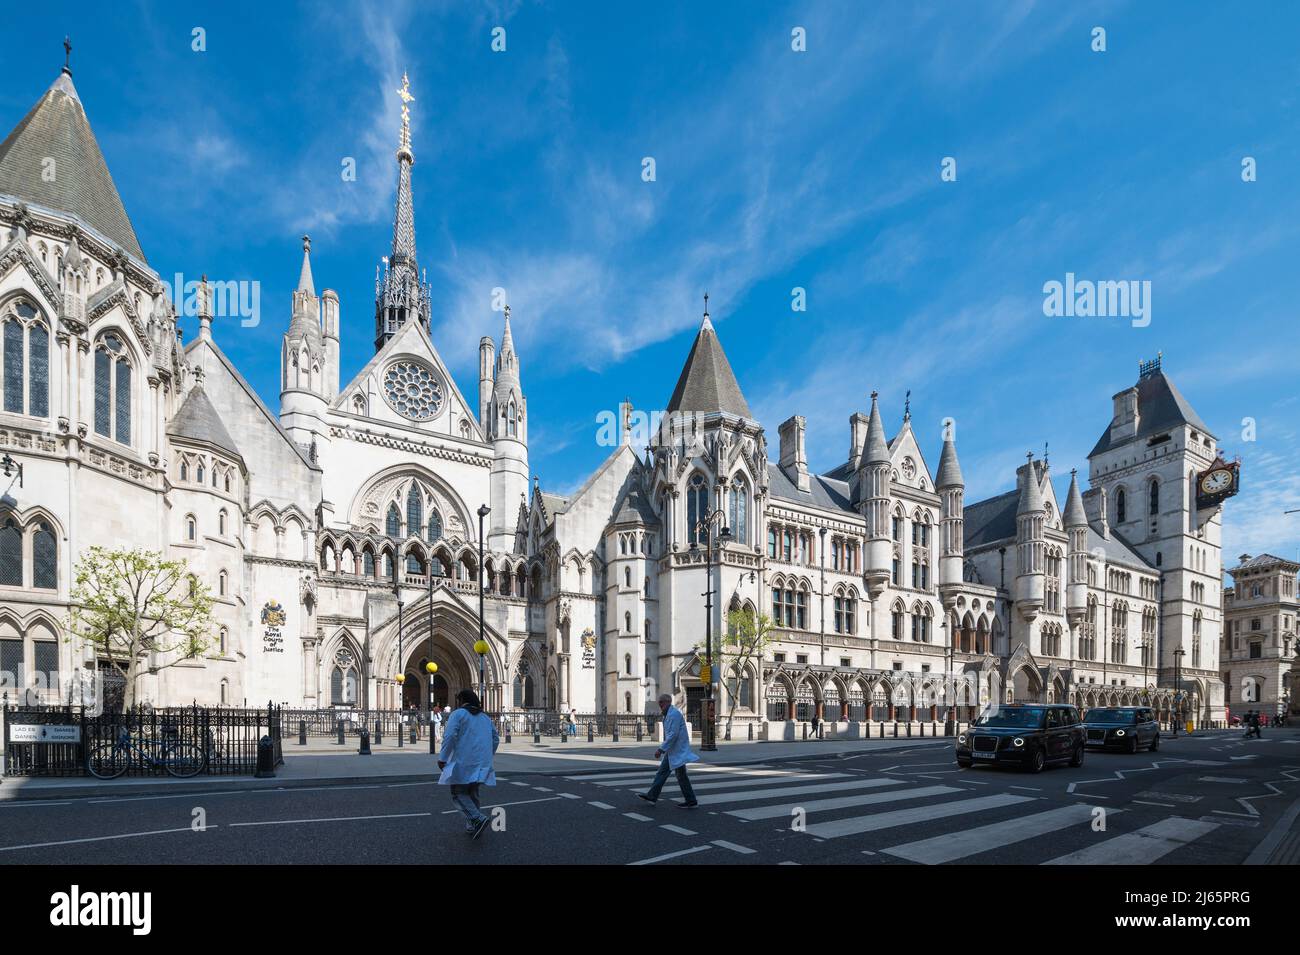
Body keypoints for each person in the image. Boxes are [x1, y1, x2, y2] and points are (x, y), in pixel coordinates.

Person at [438, 689, 500, 839]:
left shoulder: (458, 714)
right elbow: (495, 738)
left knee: (458, 793)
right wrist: (487, 755)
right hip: (482, 761)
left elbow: (450, 736)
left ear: (461, 700)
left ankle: (477, 819)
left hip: (463, 761)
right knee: (473, 792)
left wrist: (443, 757)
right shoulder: (485, 718)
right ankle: (472, 825)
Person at [638, 693, 699, 808]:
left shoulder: (674, 714)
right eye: (659, 702)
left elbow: (673, 735)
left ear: (668, 702)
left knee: (666, 773)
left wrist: (661, 749)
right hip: (674, 750)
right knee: (678, 775)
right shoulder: (668, 714)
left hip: (677, 750)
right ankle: (691, 800)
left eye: (661, 702)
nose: (659, 704)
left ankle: (653, 796)